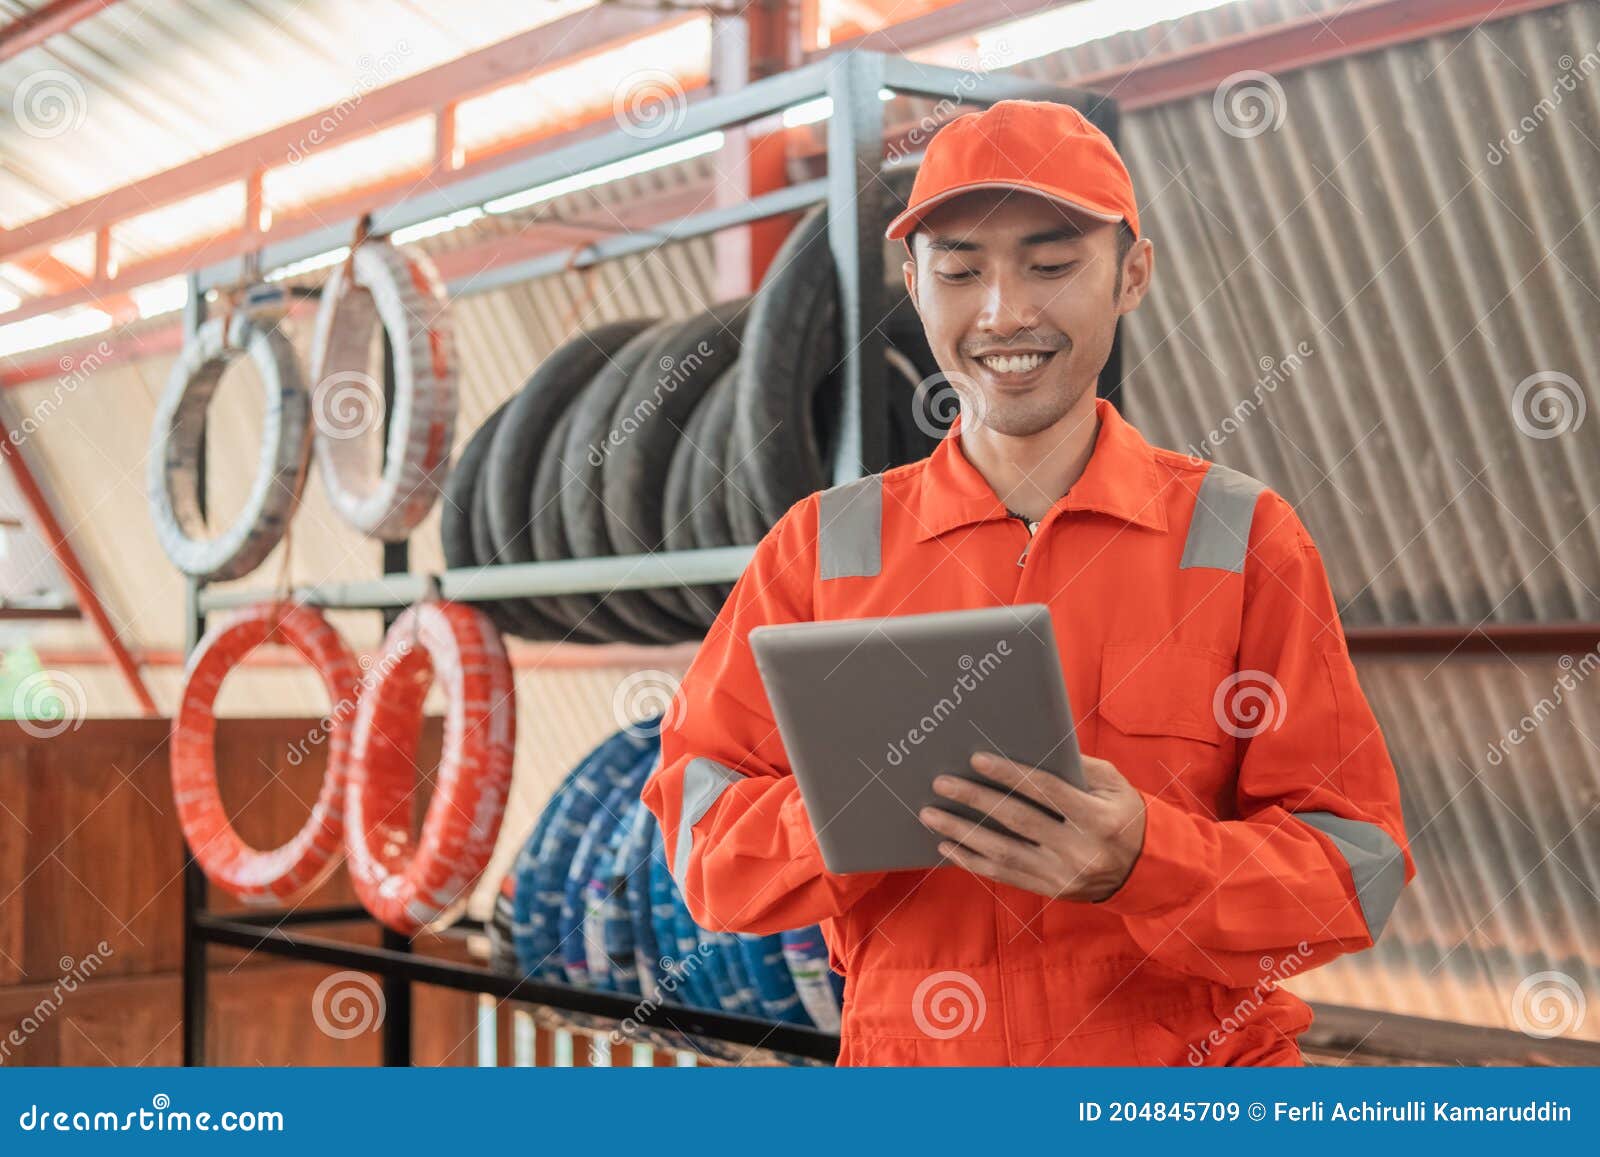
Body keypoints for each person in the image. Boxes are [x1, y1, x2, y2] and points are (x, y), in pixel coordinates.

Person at [640, 98, 1414, 1066]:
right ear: (915, 287)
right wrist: (837, 808)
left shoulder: (1235, 532)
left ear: (1132, 274)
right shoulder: (822, 546)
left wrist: (1148, 862)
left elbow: (1356, 871)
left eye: (1051, 265)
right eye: (960, 271)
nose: (1005, 312)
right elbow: (706, 851)